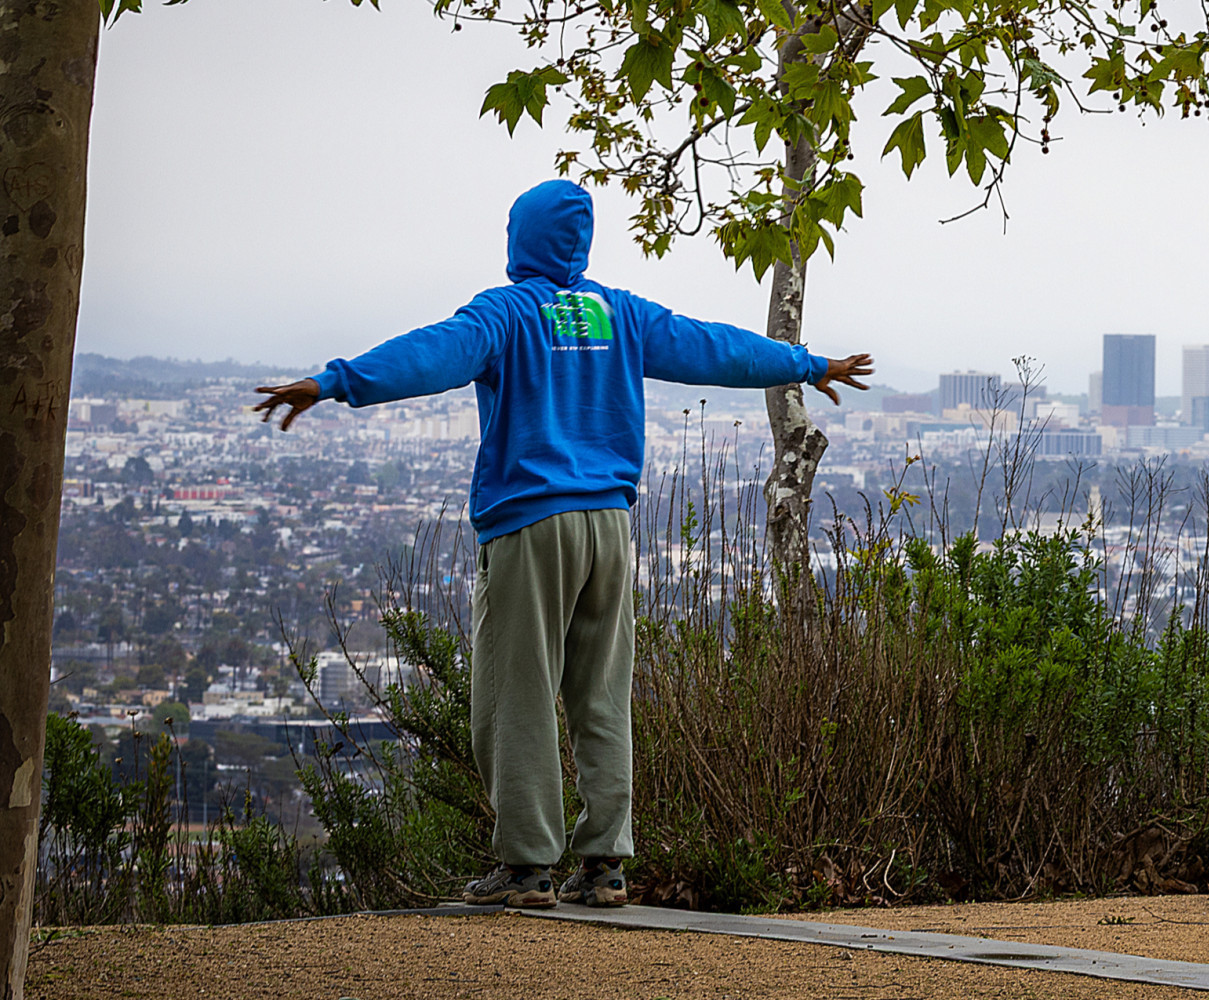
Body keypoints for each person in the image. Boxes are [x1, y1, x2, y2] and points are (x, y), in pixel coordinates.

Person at [251, 180, 871, 909]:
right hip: (610, 526)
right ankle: (604, 864)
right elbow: (716, 349)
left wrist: (333, 382)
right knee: (601, 700)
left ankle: (526, 868)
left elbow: (431, 355)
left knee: (515, 697)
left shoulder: (506, 313)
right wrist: (807, 364)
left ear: (523, 237)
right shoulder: (621, 314)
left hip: (531, 525)